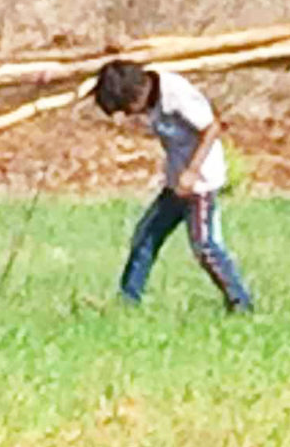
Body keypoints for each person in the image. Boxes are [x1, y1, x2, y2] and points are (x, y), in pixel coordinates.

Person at [92, 59, 254, 313]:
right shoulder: (150, 96)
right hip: (176, 180)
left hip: (200, 181)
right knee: (145, 237)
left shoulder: (176, 94)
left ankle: (241, 303)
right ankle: (127, 302)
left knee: (205, 246)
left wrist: (192, 172)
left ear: (135, 96)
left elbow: (212, 127)